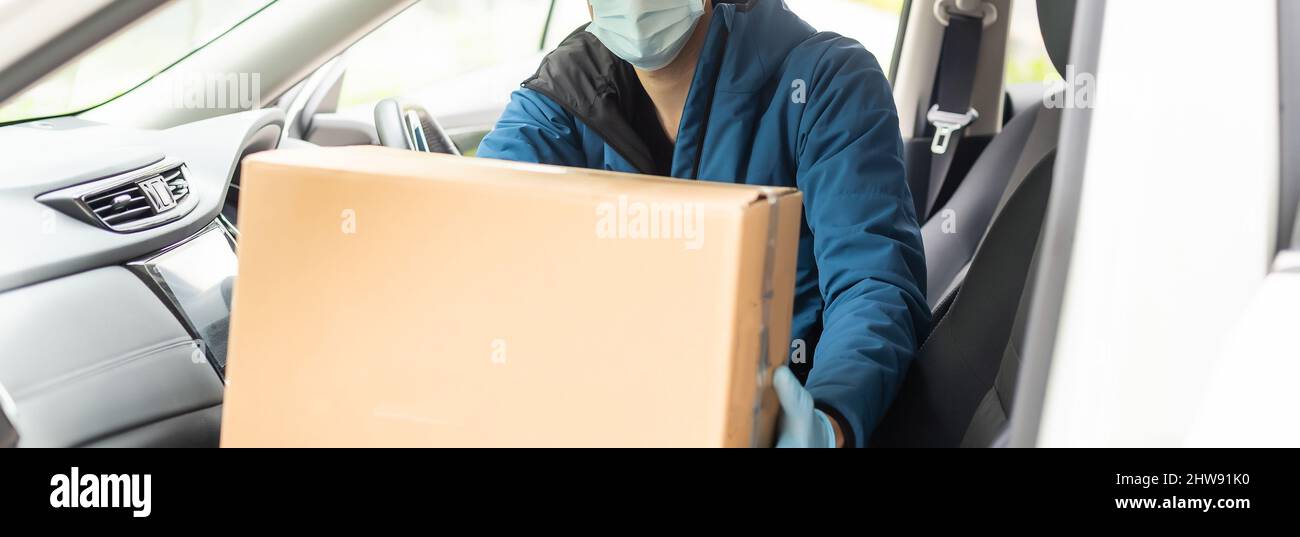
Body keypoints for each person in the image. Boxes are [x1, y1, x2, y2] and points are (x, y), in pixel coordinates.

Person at [478, 0, 929, 447]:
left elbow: (872, 281)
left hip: (775, 420)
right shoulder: (560, 97)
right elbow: (477, 244)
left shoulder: (827, 83)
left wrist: (828, 420)